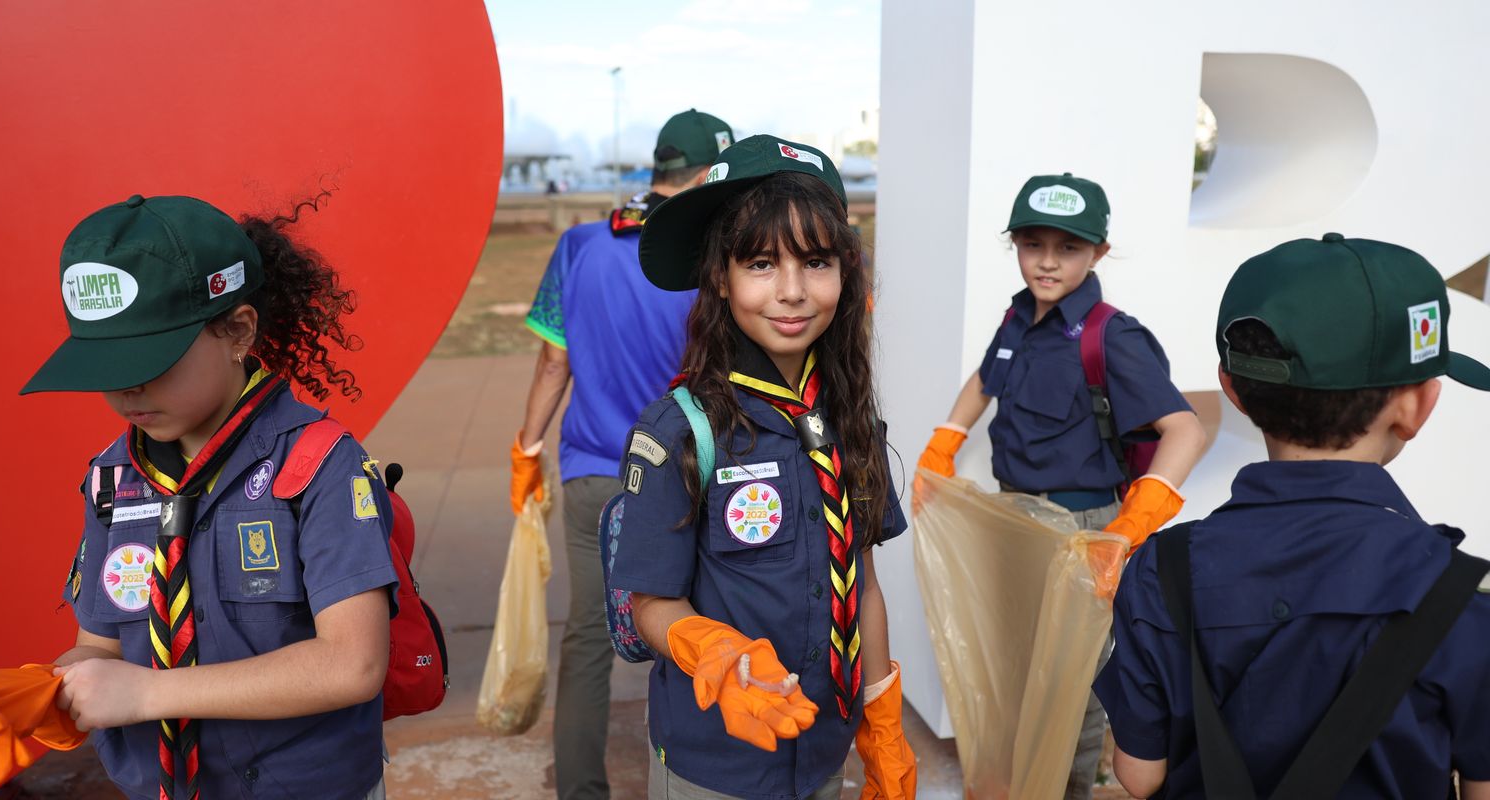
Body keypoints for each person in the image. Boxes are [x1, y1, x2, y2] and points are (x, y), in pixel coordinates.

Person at [25, 195, 396, 800]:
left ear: (238, 331)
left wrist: (148, 694)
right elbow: (98, 647)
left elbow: (352, 665)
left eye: (151, 359)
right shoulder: (111, 481)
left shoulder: (319, 465)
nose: (127, 388)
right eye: (106, 366)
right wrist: (38, 693)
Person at [1095, 234, 1490, 799]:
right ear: (1417, 407)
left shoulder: (1163, 569)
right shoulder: (1465, 596)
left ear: (1233, 390)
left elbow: (1138, 775)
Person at [612, 135, 916, 800]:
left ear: (845, 272)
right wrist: (713, 651)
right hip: (716, 762)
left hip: (823, 749)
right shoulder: (681, 431)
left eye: (815, 262)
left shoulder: (850, 421)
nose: (792, 292)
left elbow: (860, 580)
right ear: (720, 276)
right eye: (760, 263)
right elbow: (650, 602)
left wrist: (883, 719)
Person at [915, 173, 1207, 798]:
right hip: (1015, 522)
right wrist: (946, 443)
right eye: (1032, 243)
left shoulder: (1112, 336)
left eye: (1068, 247)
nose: (1046, 261)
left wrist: (1130, 526)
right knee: (1018, 666)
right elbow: (984, 380)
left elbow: (1185, 430)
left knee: (1072, 685)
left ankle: (1068, 788)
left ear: (1099, 253)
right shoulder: (1018, 317)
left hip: (1083, 533)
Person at [512, 108, 734, 800]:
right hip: (689, 480)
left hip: (591, 475)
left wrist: (527, 448)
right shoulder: (708, 258)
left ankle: (582, 790)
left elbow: (554, 364)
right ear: (704, 177)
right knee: (704, 632)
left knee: (586, 642)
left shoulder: (582, 243)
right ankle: (703, 779)